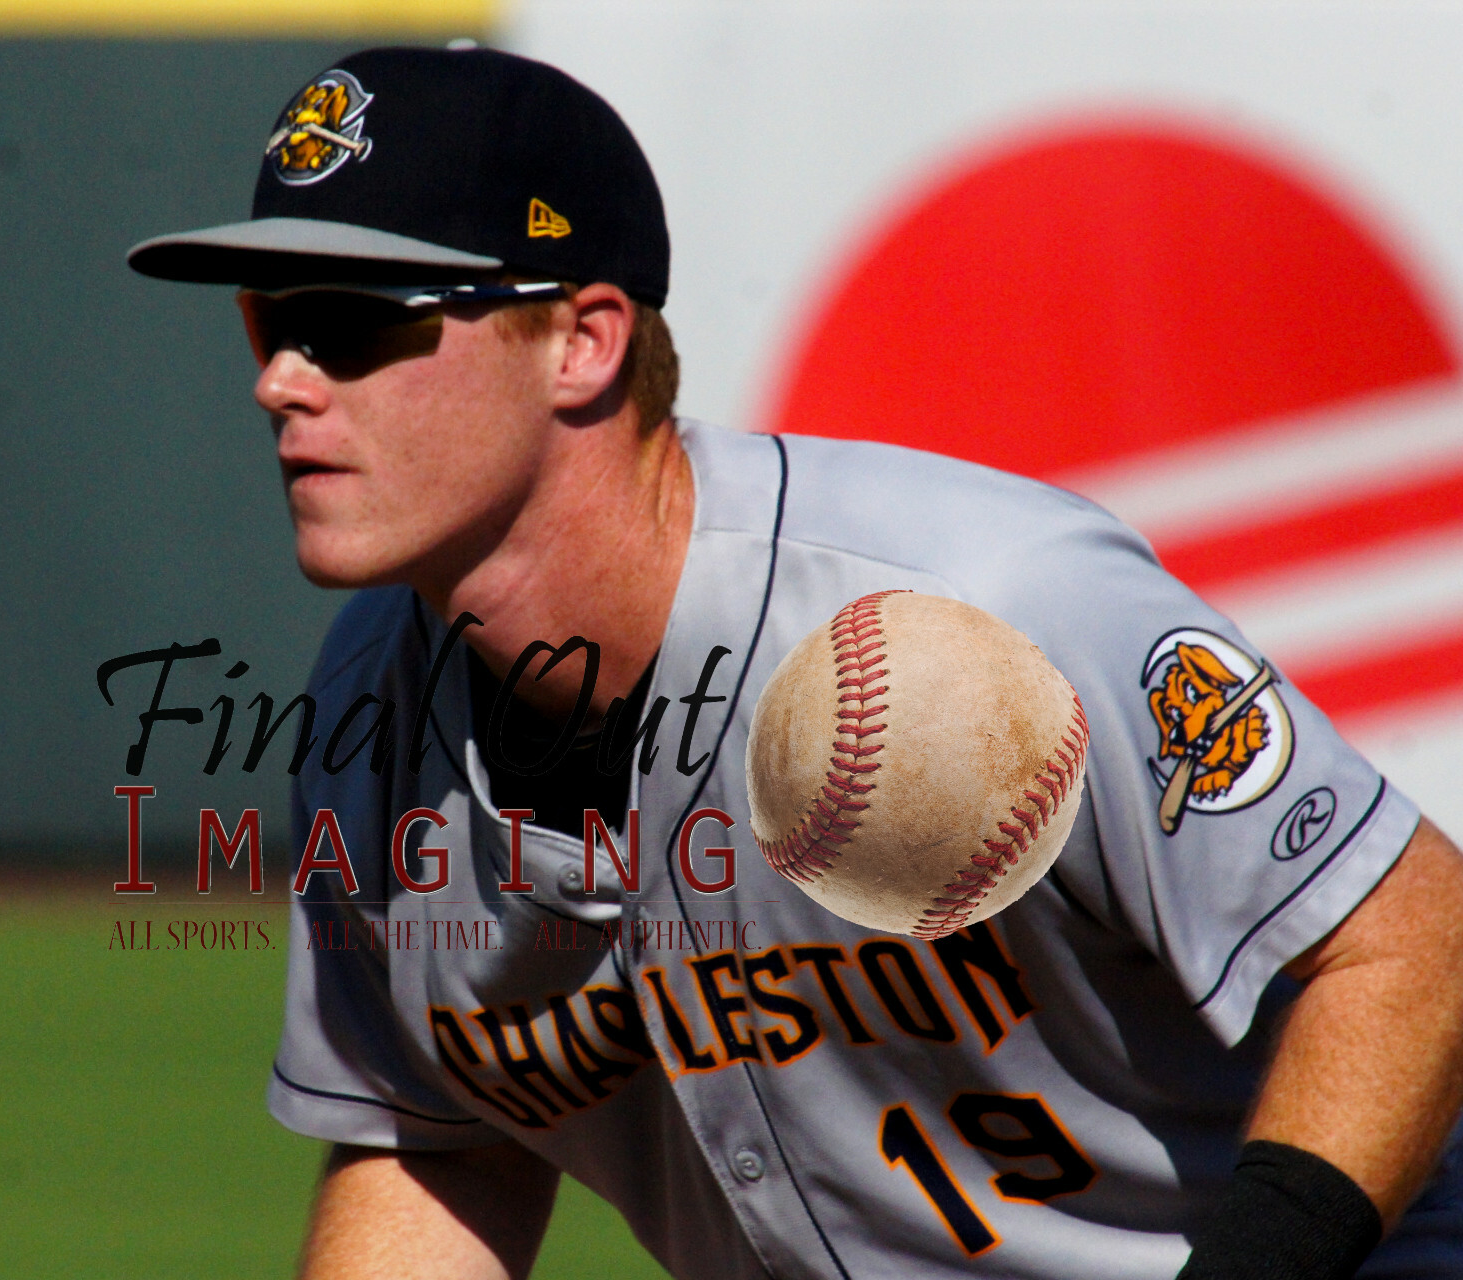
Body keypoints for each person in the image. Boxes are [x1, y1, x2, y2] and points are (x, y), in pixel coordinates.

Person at [129, 45, 1463, 1280]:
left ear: (583, 341)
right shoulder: (372, 699)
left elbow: (1415, 949)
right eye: (270, 322)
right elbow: (444, 1137)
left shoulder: (977, 606)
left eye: (356, 321)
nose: (283, 382)